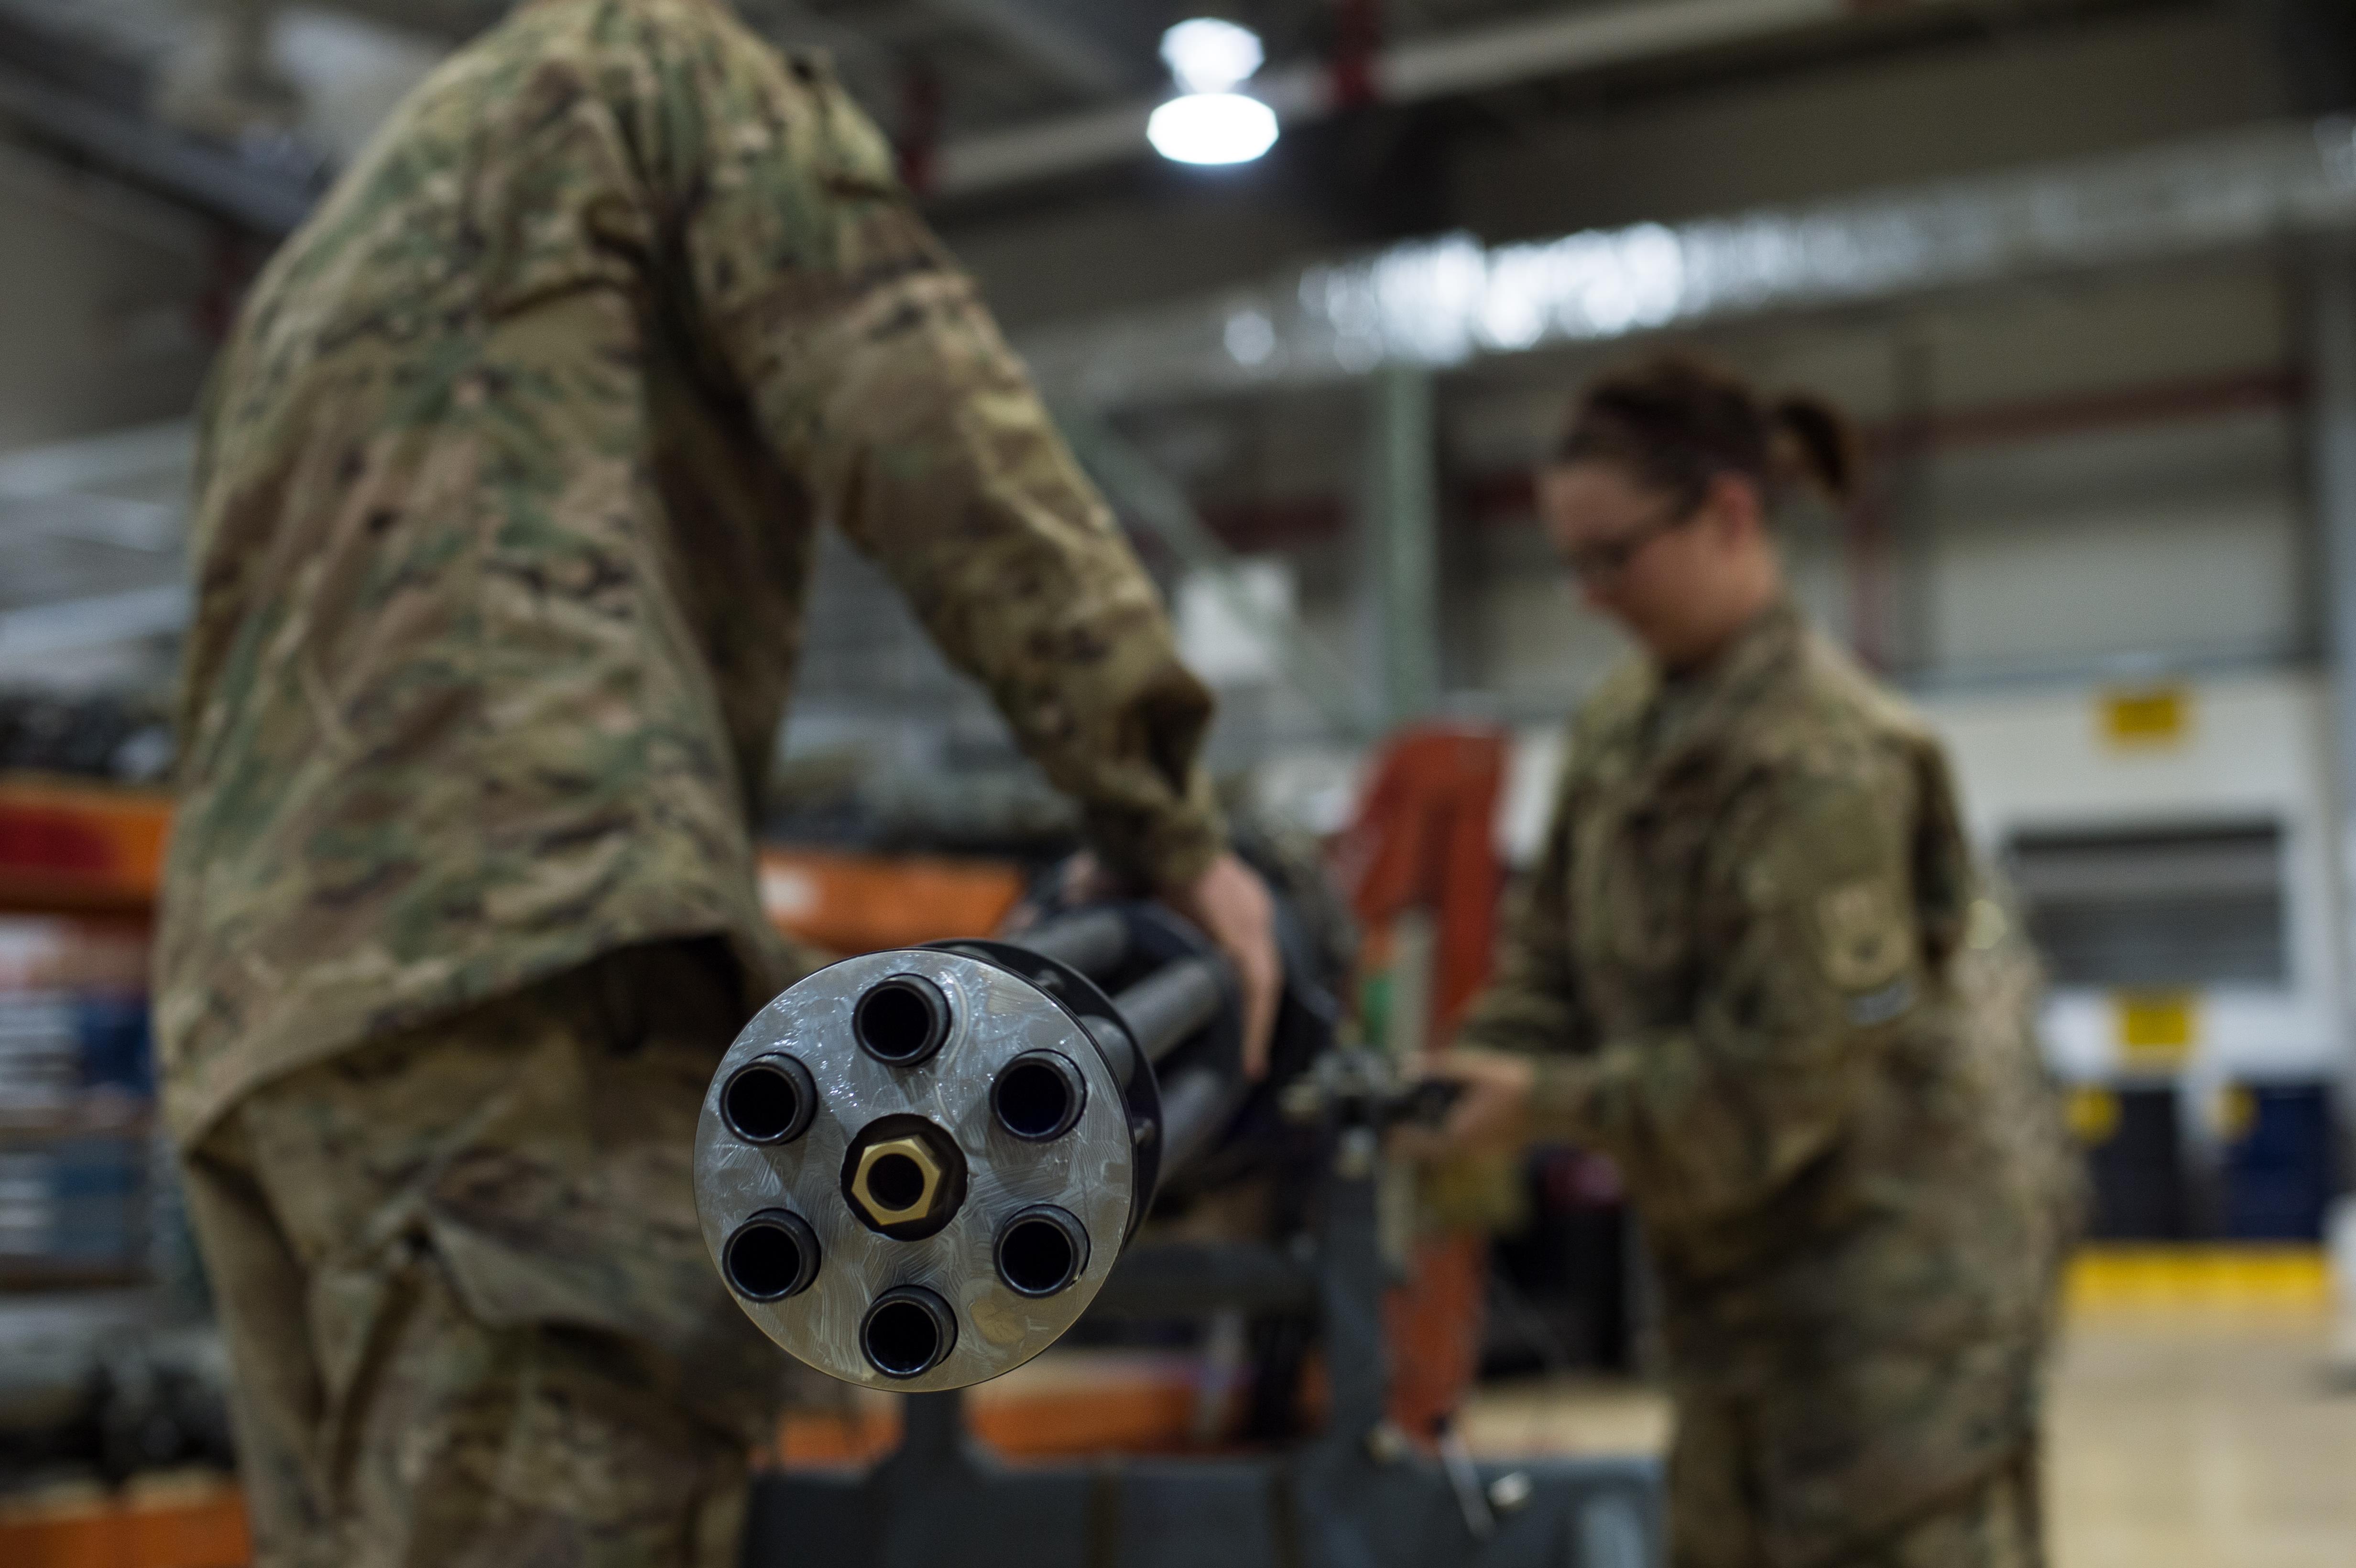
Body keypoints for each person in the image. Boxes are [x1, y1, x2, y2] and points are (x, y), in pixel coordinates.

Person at [154, 2, 1279, 1565]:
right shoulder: (665, 73)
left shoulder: (320, 260)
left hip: (259, 1028)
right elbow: (918, 415)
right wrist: (1156, 812)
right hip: (529, 983)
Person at [1417, 354, 2080, 1567]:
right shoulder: (1624, 733)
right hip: (1736, 1297)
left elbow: (1785, 1079)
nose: (1590, 595)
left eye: (1614, 556)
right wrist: (1475, 1067)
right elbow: (1551, 956)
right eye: (1572, 562)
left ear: (1727, 513)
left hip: (1890, 1317)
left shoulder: (1828, 761)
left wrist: (1540, 1107)